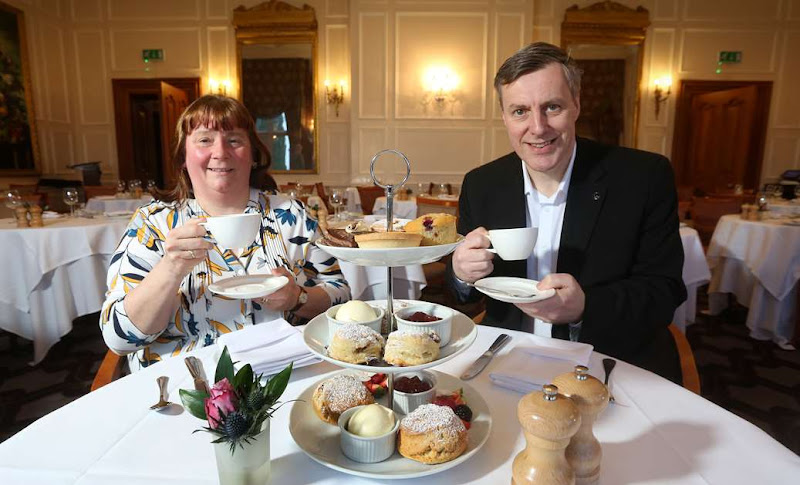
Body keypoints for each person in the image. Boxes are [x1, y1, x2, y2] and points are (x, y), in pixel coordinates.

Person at [450, 42, 686, 382]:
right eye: (520, 111)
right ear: (504, 116)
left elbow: (665, 291)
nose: (538, 127)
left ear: (576, 105)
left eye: (552, 107)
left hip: (610, 363)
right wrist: (460, 272)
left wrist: (585, 306)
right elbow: (463, 292)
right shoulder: (482, 183)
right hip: (507, 361)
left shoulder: (643, 177)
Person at [100, 95, 350, 371]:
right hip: (186, 386)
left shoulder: (291, 214)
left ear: (253, 155)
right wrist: (170, 269)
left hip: (287, 376)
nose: (220, 152)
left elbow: (342, 299)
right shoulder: (152, 223)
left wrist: (298, 298)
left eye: (234, 140)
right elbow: (118, 338)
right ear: (183, 156)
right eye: (204, 140)